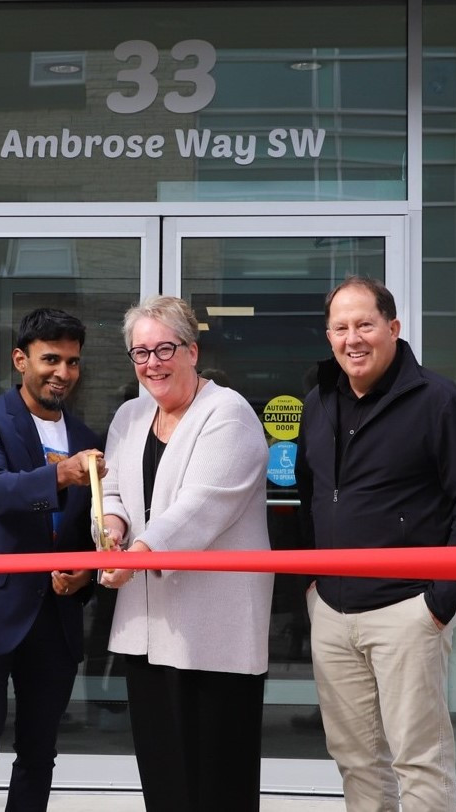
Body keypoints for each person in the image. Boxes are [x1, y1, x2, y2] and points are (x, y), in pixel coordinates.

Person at [295, 275, 456, 812]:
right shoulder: (318, 402)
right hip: (334, 612)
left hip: (407, 610)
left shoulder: (441, 402)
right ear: (328, 336)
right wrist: (314, 585)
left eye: (365, 324)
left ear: (393, 327)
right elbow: (310, 493)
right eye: (340, 328)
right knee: (357, 760)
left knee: (419, 758)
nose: (353, 338)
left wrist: (437, 605)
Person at [97, 295, 273, 811]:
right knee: (164, 774)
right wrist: (111, 527)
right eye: (140, 352)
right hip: (147, 628)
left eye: (165, 348)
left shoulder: (228, 413)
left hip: (212, 631)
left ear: (193, 351)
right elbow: (114, 493)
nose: (152, 363)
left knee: (218, 776)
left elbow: (203, 505)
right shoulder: (130, 415)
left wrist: (137, 553)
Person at [0, 308, 102, 811]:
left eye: (72, 362)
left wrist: (85, 571)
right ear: (20, 359)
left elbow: (89, 529)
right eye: (51, 359)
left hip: (56, 614)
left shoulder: (87, 437)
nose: (63, 373)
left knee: (38, 752)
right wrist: (61, 475)